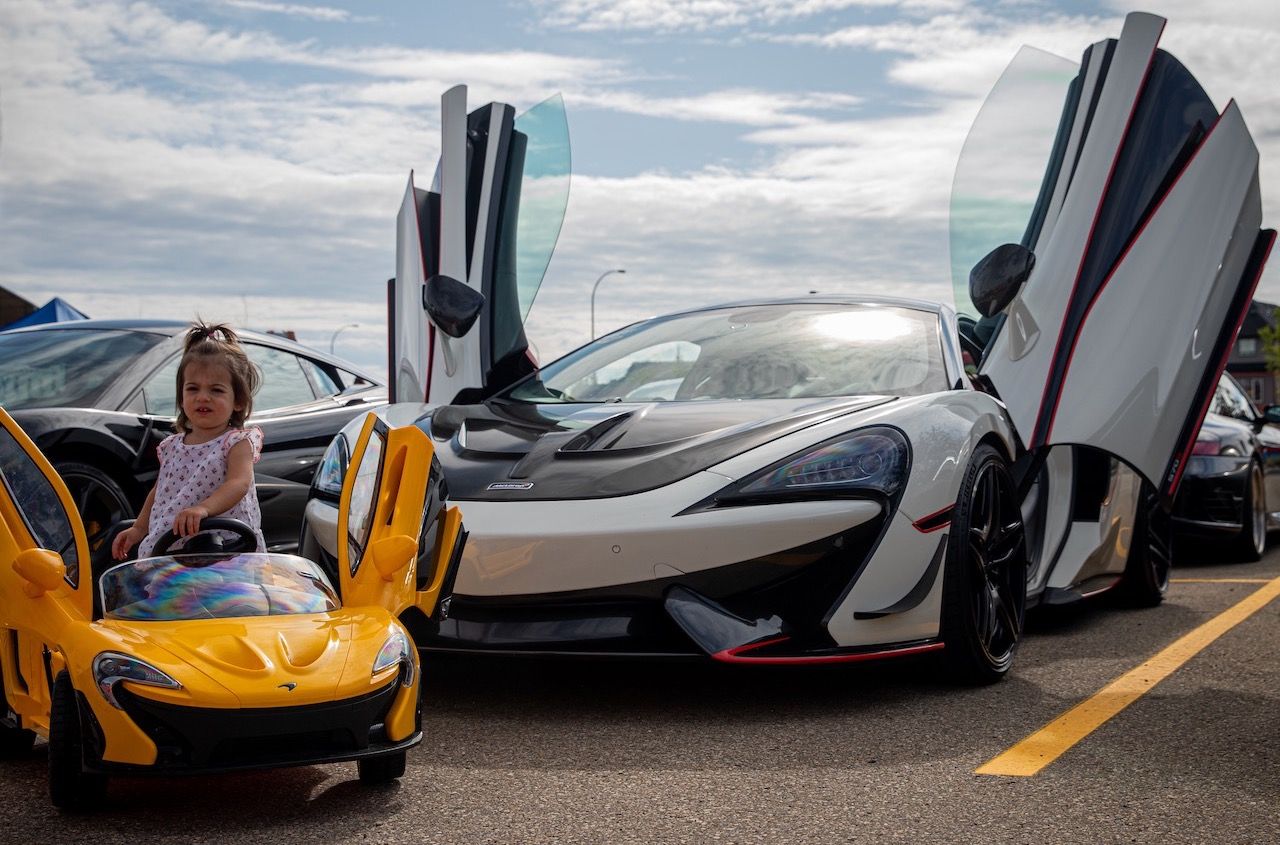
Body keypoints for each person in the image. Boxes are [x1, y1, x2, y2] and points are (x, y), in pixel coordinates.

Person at [111, 322, 266, 560]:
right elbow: (159, 491)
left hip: (223, 550)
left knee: (223, 598)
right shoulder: (172, 445)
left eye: (216, 390)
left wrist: (204, 509)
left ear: (239, 401)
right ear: (181, 398)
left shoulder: (237, 442)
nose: (203, 397)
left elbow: (238, 483)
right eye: (193, 389)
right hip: (171, 548)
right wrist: (139, 529)